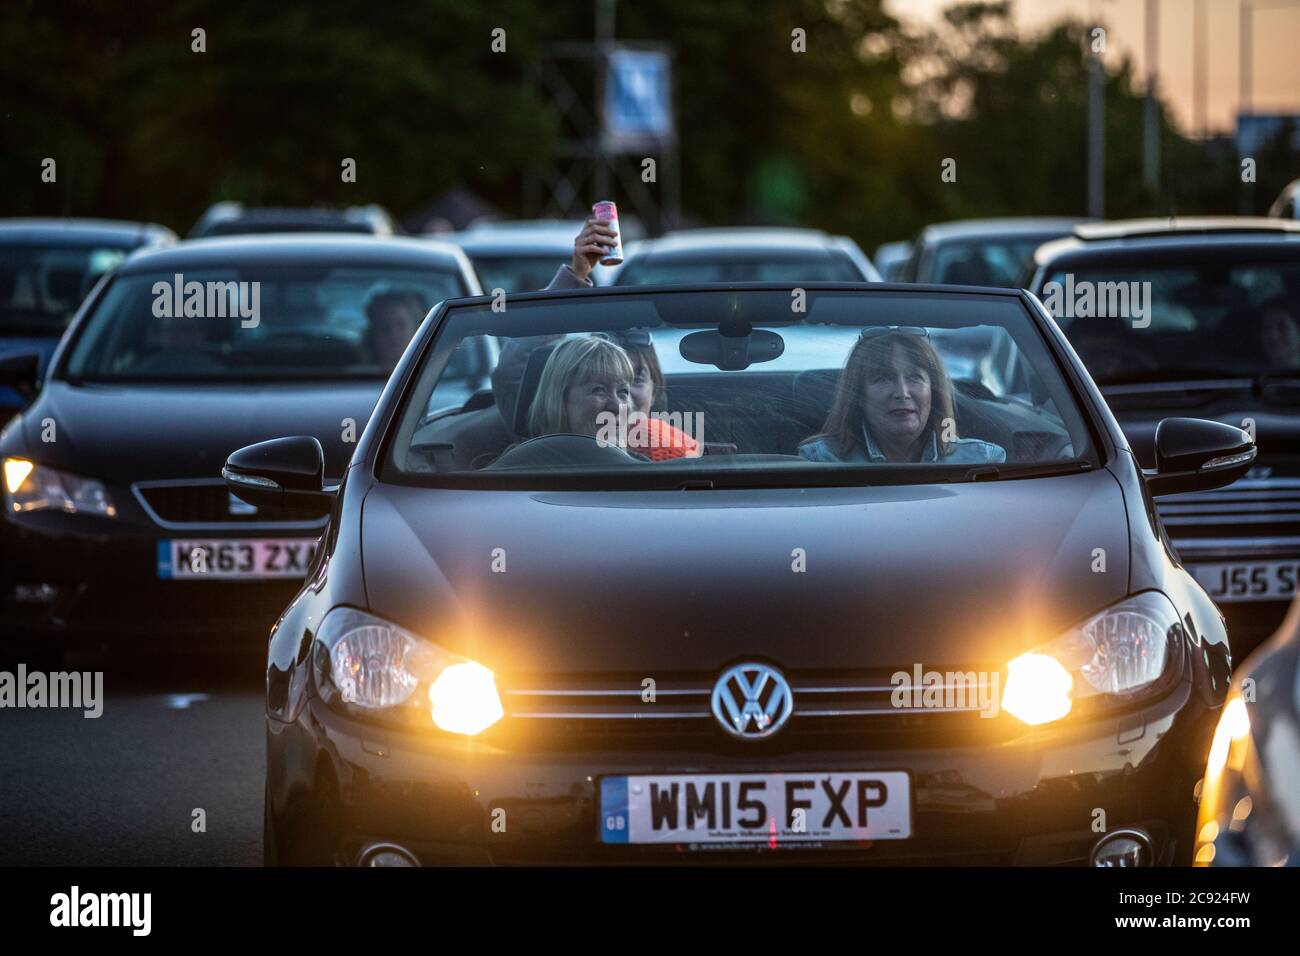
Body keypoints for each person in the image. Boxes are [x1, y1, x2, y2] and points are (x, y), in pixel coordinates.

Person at [493, 215, 701, 459]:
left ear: (656, 393)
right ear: (557, 399)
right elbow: (513, 363)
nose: (618, 405)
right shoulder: (525, 463)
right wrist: (575, 276)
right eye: (598, 389)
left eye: (627, 387)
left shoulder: (678, 465)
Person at [798, 327, 1006, 464]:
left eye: (915, 377)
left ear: (933, 392)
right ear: (858, 395)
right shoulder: (822, 461)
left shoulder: (981, 462)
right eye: (883, 378)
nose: (902, 393)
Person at [526, 335, 635, 439]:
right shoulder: (522, 458)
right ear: (559, 399)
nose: (617, 407)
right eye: (599, 390)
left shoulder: (640, 458)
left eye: (623, 391)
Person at [364, 290, 424, 371]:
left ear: (415, 329)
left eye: (401, 325)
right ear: (374, 334)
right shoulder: (355, 375)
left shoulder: (434, 370)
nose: (394, 334)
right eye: (385, 327)